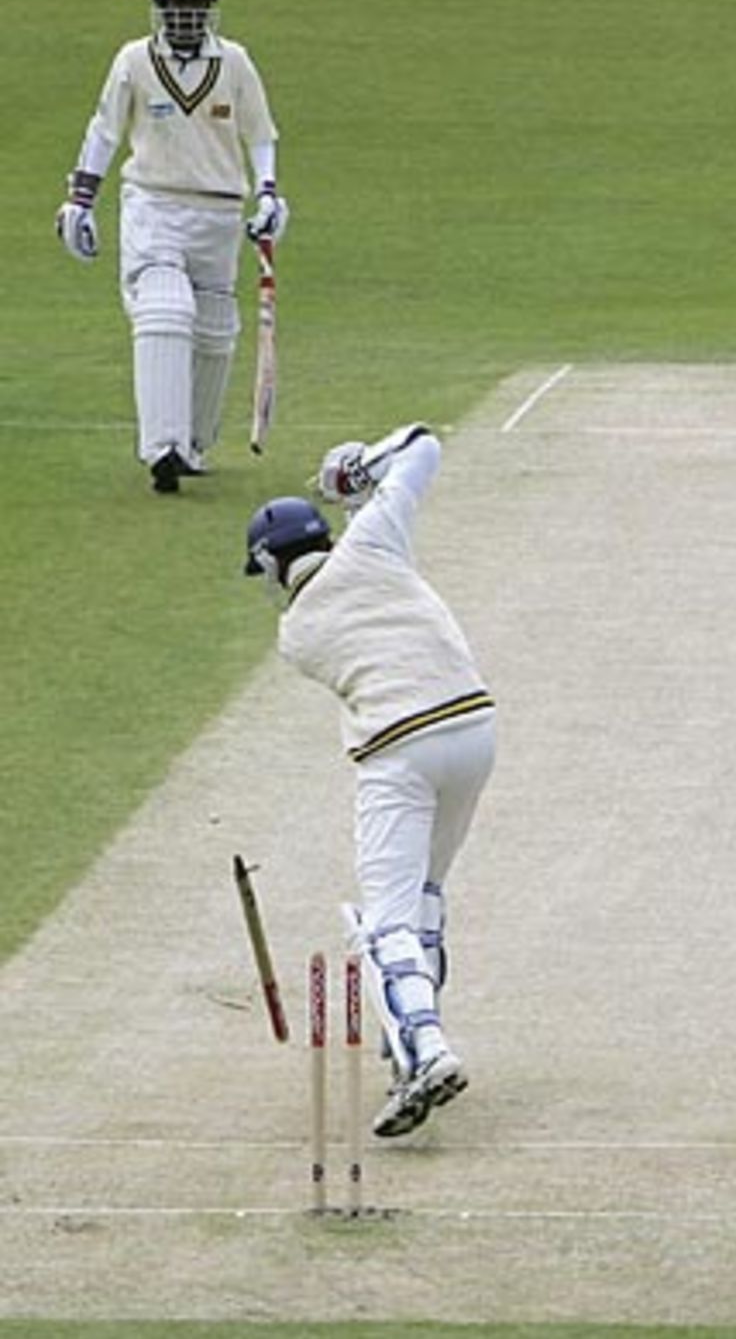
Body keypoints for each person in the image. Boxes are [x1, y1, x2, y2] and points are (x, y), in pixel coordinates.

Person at [243, 423, 497, 1137]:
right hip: (475, 730)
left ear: (270, 565)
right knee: (423, 897)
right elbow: (424, 443)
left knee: (385, 919)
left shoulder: (297, 635)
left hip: (399, 751)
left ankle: (429, 1048)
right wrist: (356, 473)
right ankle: (405, 1047)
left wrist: (350, 494)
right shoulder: (374, 538)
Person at [56, 0, 288, 494]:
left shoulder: (234, 62)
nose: (185, 15)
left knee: (213, 331)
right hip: (154, 204)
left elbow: (260, 134)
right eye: (175, 4)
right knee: (165, 308)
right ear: (158, 7)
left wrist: (271, 194)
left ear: (211, 9)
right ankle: (161, 446)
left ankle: (192, 444)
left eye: (195, 4)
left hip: (220, 211)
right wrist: (80, 200)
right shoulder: (134, 61)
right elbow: (104, 131)